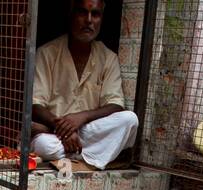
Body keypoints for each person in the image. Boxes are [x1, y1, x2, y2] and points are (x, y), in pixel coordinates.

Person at [31, 0, 138, 170]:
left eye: (95, 14)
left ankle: (78, 154)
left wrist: (82, 117)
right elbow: (35, 105)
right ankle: (96, 155)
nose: (89, 20)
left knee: (130, 120)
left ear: (101, 19)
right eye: (82, 12)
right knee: (43, 145)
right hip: (54, 132)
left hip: (88, 132)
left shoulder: (108, 58)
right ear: (71, 15)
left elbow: (116, 105)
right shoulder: (47, 53)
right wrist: (64, 129)